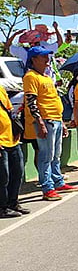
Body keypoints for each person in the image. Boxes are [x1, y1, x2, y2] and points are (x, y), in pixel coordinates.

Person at [22, 46, 78, 201]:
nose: (47, 60)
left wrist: (62, 121)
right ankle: (47, 187)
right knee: (46, 155)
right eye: (43, 57)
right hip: (46, 120)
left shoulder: (46, 77)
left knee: (56, 155)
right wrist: (39, 122)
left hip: (55, 119)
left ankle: (57, 181)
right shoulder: (31, 76)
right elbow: (31, 101)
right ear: (34, 59)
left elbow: (53, 100)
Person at [0, 82, 27, 217]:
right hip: (1, 142)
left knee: (17, 172)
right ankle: (2, 207)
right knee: (3, 177)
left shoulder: (1, 90)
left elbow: (9, 110)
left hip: (11, 139)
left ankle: (13, 202)